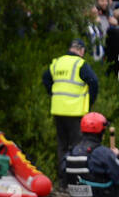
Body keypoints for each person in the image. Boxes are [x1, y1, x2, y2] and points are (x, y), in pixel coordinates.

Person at [43, 37, 100, 180]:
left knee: (62, 145)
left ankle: (63, 178)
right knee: (77, 146)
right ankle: (76, 178)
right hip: (75, 111)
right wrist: (89, 102)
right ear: (81, 51)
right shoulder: (80, 63)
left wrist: (53, 94)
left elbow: (45, 78)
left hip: (58, 109)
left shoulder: (57, 62)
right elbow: (94, 82)